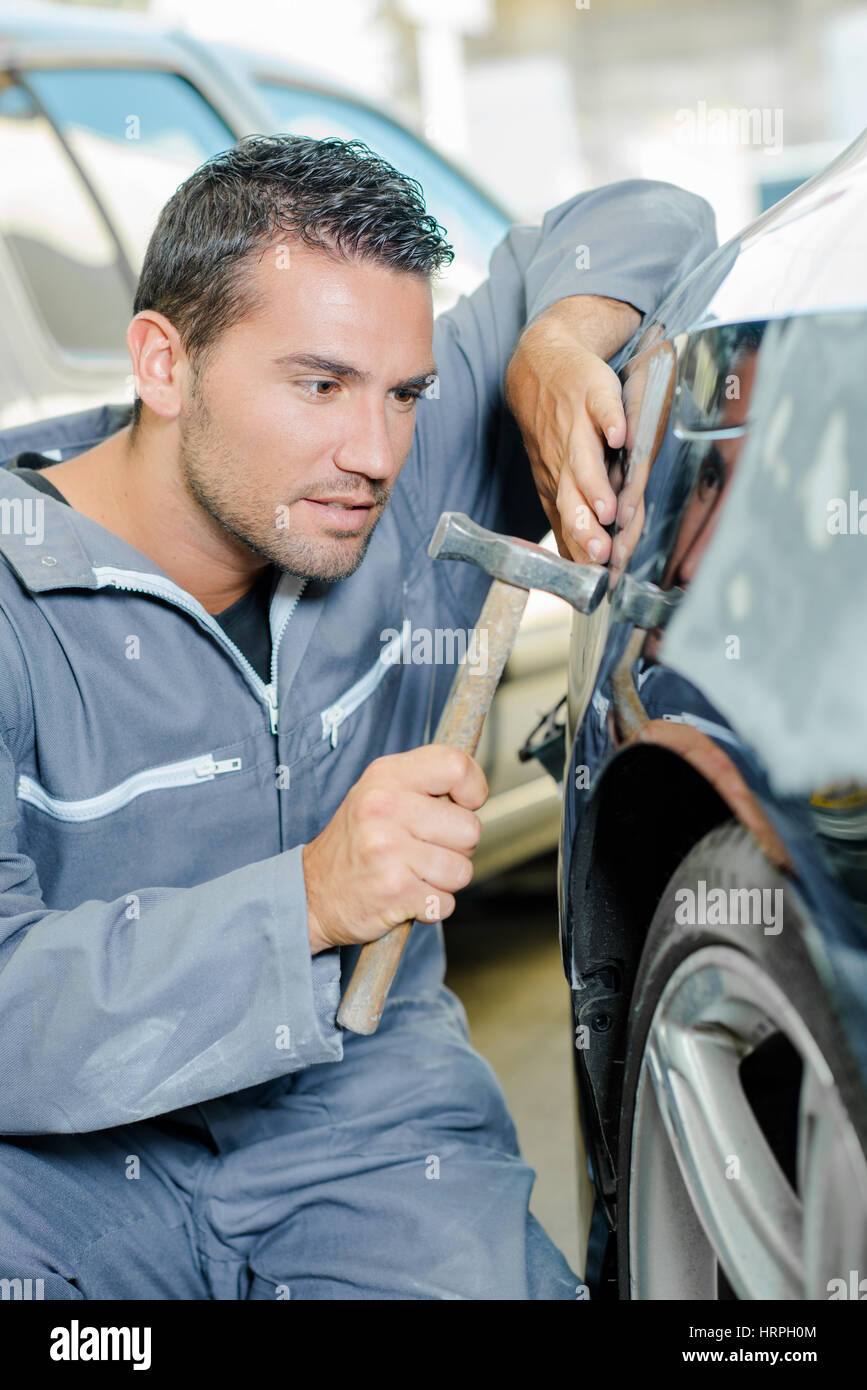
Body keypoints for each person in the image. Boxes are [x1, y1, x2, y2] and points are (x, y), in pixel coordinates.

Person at [0, 135, 716, 1299]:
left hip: (363, 1126)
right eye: (320, 384)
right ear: (162, 365)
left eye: (406, 393)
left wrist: (554, 343)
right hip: (60, 1171)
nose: (377, 455)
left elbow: (654, 209)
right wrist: (313, 899)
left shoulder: (385, 491)